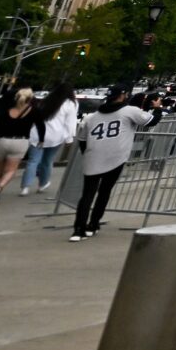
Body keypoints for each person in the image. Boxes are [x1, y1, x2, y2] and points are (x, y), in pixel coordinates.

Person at [69, 88, 160, 240]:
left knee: (87, 195)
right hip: (115, 156)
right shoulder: (129, 111)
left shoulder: (92, 117)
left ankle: (79, 229)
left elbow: (83, 140)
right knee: (104, 192)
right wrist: (158, 108)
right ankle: (93, 224)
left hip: (94, 156)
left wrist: (89, 153)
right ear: (122, 96)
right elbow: (151, 121)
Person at [0, 87, 38, 203]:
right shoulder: (33, 111)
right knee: (10, 170)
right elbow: (40, 126)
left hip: (2, 141)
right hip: (20, 141)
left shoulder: (6, 111)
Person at [23, 84, 79, 196]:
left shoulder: (45, 101)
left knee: (33, 161)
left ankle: (25, 187)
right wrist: (69, 138)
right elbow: (70, 122)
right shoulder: (71, 104)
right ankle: (42, 184)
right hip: (55, 136)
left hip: (38, 134)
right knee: (47, 161)